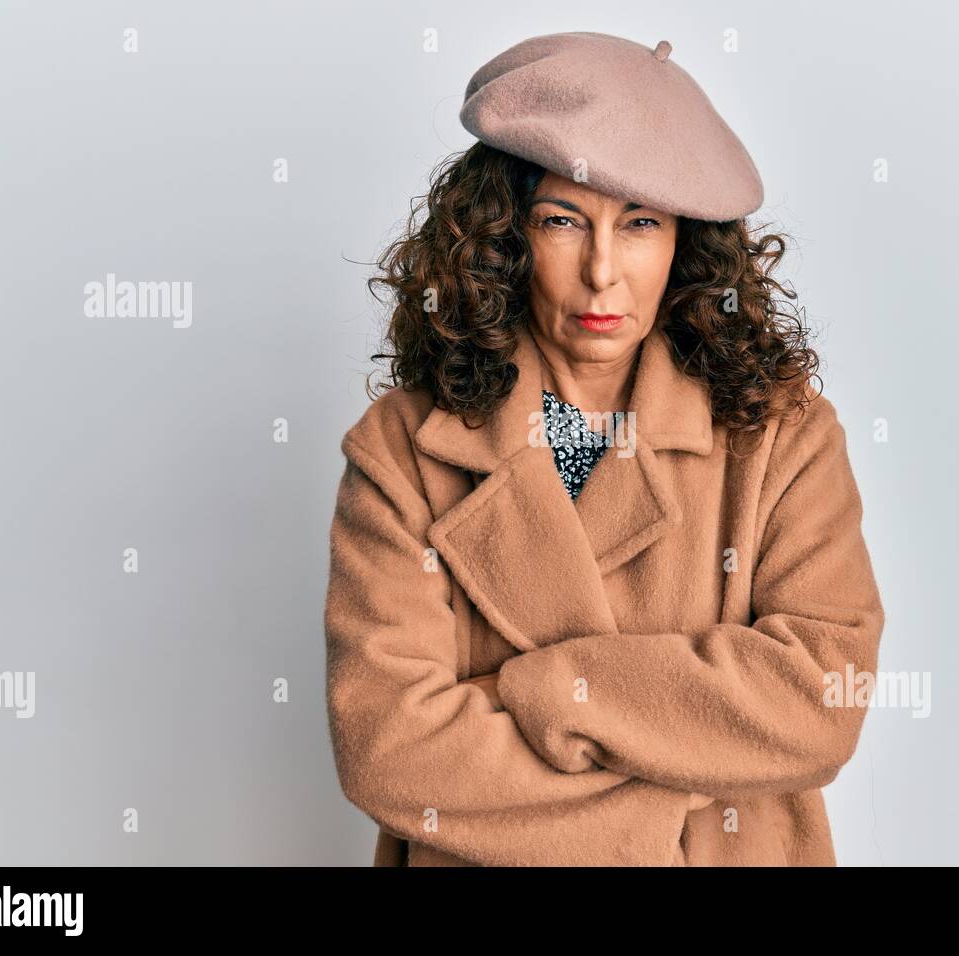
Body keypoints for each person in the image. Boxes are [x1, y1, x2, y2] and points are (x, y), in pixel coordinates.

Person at [324, 31, 886, 866]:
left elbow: (821, 702)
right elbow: (389, 750)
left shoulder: (784, 436)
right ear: (505, 237)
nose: (601, 273)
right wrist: (687, 767)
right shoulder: (402, 449)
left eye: (639, 225)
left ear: (685, 245)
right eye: (562, 221)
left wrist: (542, 692)